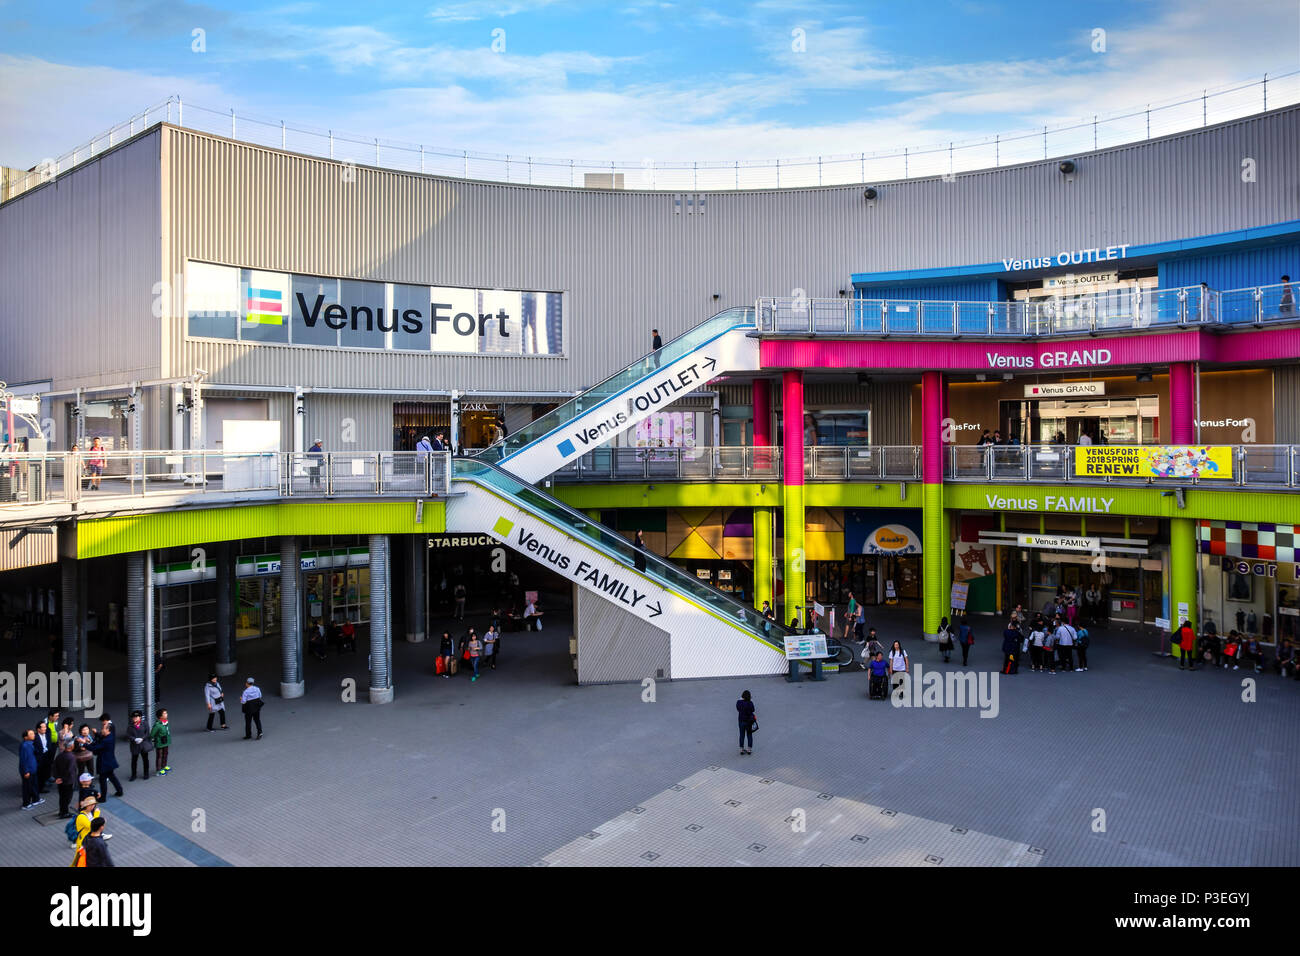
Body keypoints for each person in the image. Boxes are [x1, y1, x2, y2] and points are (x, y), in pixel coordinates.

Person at [90, 716, 123, 801]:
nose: (102, 730)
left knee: (103, 780)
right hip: (110, 762)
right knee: (112, 777)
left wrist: (84, 744)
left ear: (108, 730)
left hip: (104, 763)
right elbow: (101, 737)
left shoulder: (106, 740)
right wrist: (96, 733)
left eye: (103, 729)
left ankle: (103, 797)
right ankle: (120, 791)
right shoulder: (109, 736)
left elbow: (94, 748)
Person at [52, 739, 78, 818]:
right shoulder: (72, 757)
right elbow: (69, 770)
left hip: (60, 781)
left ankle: (62, 811)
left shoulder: (60, 755)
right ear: (71, 746)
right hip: (68, 781)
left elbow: (54, 767)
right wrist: (62, 779)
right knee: (67, 797)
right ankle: (65, 812)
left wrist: (57, 778)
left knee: (62, 796)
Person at [19, 729, 42, 810]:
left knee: (34, 785)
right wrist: (26, 771)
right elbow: (23, 760)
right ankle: (26, 804)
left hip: (33, 769)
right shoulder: (25, 746)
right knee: (27, 788)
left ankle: (36, 799)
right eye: (31, 734)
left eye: (33, 733)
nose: (34, 735)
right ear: (26, 737)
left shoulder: (31, 743)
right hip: (28, 771)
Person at [126, 711, 152, 781]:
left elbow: (147, 733)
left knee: (145, 760)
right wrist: (134, 739)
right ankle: (133, 775)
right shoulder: (130, 726)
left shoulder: (145, 724)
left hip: (143, 745)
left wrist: (142, 738)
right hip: (135, 745)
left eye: (136, 717)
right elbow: (128, 735)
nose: (134, 718)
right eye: (133, 717)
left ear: (140, 717)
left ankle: (146, 774)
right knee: (134, 761)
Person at [33, 718, 52, 793]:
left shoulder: (47, 734)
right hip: (39, 758)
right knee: (38, 774)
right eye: (43, 727)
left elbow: (49, 744)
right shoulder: (35, 737)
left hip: (46, 756)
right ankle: (37, 788)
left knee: (44, 772)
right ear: (38, 729)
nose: (45, 728)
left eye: (45, 727)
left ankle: (41, 787)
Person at [151, 709, 171, 776]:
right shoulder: (157, 725)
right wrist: (155, 739)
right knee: (159, 756)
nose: (166, 714)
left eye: (166, 713)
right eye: (165, 713)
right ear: (160, 716)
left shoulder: (166, 722)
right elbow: (152, 734)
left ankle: (164, 766)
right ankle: (159, 770)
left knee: (165, 754)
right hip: (160, 743)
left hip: (166, 742)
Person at [736, 690, 756, 755]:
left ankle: (741, 749)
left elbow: (738, 709)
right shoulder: (750, 703)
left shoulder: (739, 702)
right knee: (749, 735)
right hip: (748, 721)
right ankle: (749, 749)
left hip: (741, 720)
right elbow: (753, 710)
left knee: (742, 735)